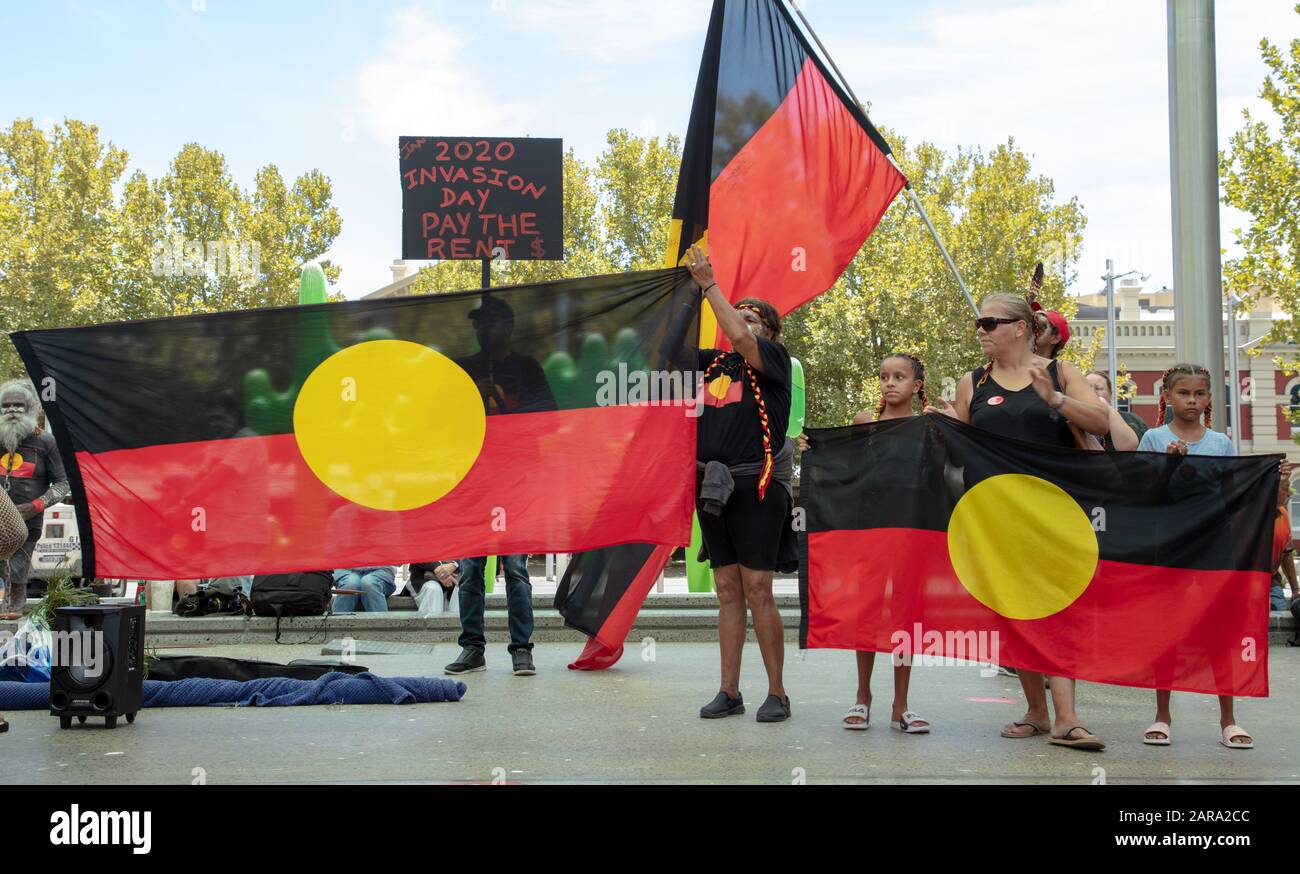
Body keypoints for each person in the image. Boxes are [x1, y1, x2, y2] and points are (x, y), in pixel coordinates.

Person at [928, 293, 1109, 750]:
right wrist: (944, 426)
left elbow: (1102, 423)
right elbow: (957, 452)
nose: (982, 330)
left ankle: (1067, 718)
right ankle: (1035, 709)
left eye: (991, 322)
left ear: (1021, 328)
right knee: (1015, 610)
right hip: (996, 516)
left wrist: (1056, 399)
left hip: (1054, 513)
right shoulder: (973, 383)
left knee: (1057, 609)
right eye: (979, 323)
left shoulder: (1058, 373)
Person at [684, 246, 797, 724]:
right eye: (741, 315)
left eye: (755, 319)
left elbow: (740, 337)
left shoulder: (773, 359)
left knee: (757, 589)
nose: (745, 323)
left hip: (757, 486)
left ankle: (778, 692)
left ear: (769, 333)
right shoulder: (713, 365)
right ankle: (729, 691)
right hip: (712, 489)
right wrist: (680, 295)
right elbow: (663, 348)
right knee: (727, 588)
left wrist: (710, 284)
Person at [1137, 364, 1273, 750]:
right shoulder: (1153, 438)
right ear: (1167, 396)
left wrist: (1265, 478)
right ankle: (1162, 716)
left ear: (1210, 398)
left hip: (1215, 546)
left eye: (1199, 394)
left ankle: (1228, 720)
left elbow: (1234, 498)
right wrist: (1168, 467)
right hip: (1170, 544)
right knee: (1166, 632)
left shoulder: (1222, 444)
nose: (1191, 400)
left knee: (1220, 630)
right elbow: (1146, 496)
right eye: (1183, 393)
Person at [800, 354, 932, 734]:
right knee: (867, 611)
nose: (891, 383)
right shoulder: (865, 423)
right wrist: (816, 449)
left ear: (917, 384)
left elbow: (947, 473)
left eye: (900, 377)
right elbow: (844, 469)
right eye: (884, 377)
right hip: (869, 529)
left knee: (906, 615)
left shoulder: (929, 427)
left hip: (911, 531)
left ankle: (901, 706)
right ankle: (863, 697)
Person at [445, 297, 555, 678]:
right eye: (480, 324)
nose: (485, 330)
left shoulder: (527, 368)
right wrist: (474, 398)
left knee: (515, 568)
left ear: (508, 326)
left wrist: (508, 409)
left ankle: (521, 649)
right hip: (474, 482)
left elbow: (550, 419)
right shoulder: (464, 369)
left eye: (493, 323)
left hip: (516, 481)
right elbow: (446, 423)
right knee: (471, 569)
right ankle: (472, 648)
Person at [0, 380, 70, 620]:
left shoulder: (45, 441)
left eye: (18, 405)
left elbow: (63, 484)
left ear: (30, 408)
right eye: (6, 405)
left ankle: (12, 610)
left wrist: (36, 506)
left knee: (17, 569)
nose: (11, 411)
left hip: (27, 522)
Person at [1083, 371, 1142, 451]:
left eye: (1098, 388)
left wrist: (1106, 407)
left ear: (1110, 394)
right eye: (1087, 388)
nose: (1092, 392)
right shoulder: (1073, 420)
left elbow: (1129, 448)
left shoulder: (1129, 419)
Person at [331, 566, 396, 613]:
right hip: (345, 568)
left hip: (382, 569)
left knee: (369, 584)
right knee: (350, 585)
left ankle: (381, 628)